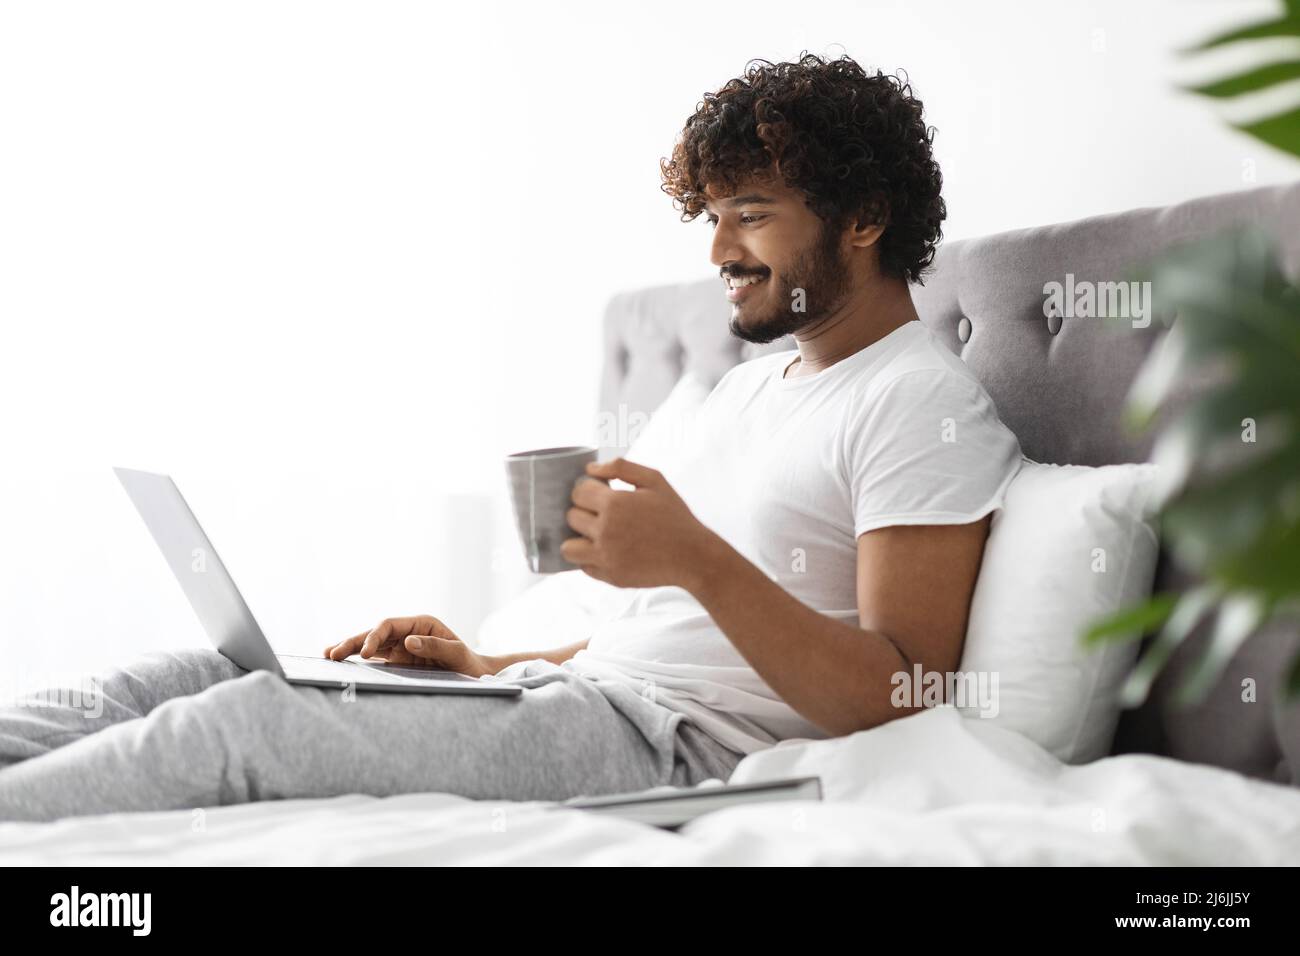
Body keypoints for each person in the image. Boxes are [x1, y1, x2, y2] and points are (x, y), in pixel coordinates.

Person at [0, 52, 1020, 822]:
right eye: (710, 219)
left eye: (748, 216)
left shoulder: (917, 405)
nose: (718, 251)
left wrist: (695, 559)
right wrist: (491, 663)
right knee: (188, 674)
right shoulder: (751, 393)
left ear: (866, 215)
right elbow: (669, 640)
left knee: (244, 725)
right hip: (575, 695)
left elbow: (904, 690)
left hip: (663, 754)